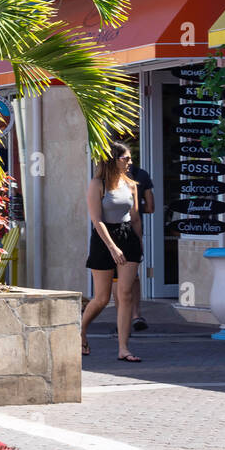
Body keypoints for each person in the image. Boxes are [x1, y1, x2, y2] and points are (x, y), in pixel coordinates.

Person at [79, 141, 144, 363]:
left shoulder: (132, 185)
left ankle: (123, 348)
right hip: (104, 238)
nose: (130, 162)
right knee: (102, 298)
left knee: (125, 294)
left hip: (128, 237)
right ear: (113, 160)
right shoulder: (98, 184)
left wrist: (139, 242)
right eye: (126, 158)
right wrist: (112, 247)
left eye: (130, 159)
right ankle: (81, 330)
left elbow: (135, 218)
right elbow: (96, 219)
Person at [127, 160, 154, 332]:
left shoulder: (103, 177)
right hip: (133, 232)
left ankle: (123, 316)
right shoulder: (141, 175)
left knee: (117, 278)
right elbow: (150, 207)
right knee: (132, 276)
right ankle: (135, 315)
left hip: (110, 232)